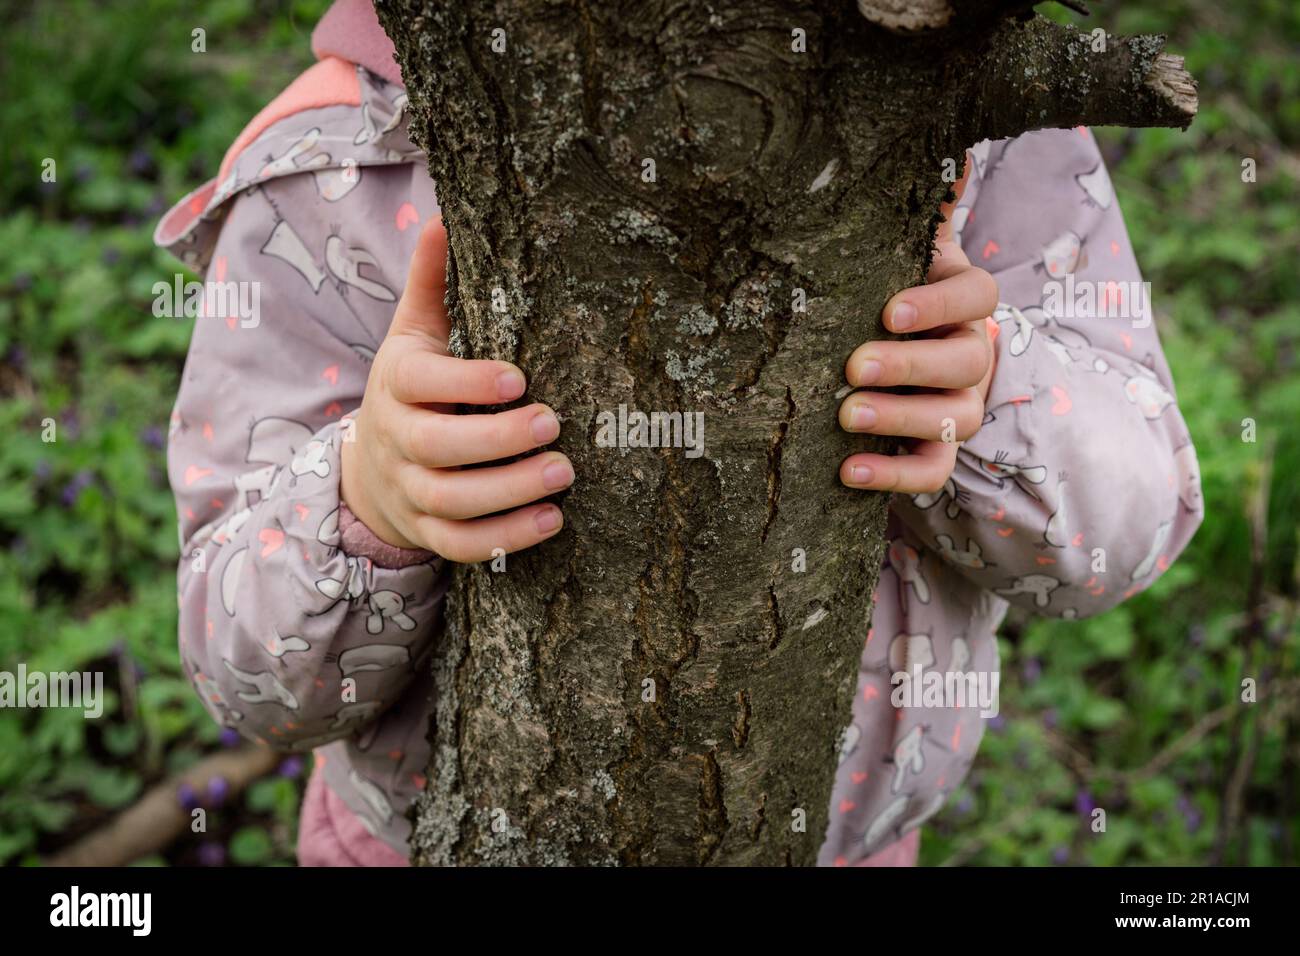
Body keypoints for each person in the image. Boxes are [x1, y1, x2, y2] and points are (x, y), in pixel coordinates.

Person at [155, 0, 1203, 867]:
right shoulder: (332, 177)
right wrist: (366, 500)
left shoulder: (982, 127)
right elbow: (241, 668)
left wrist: (992, 390)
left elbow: (1128, 531)